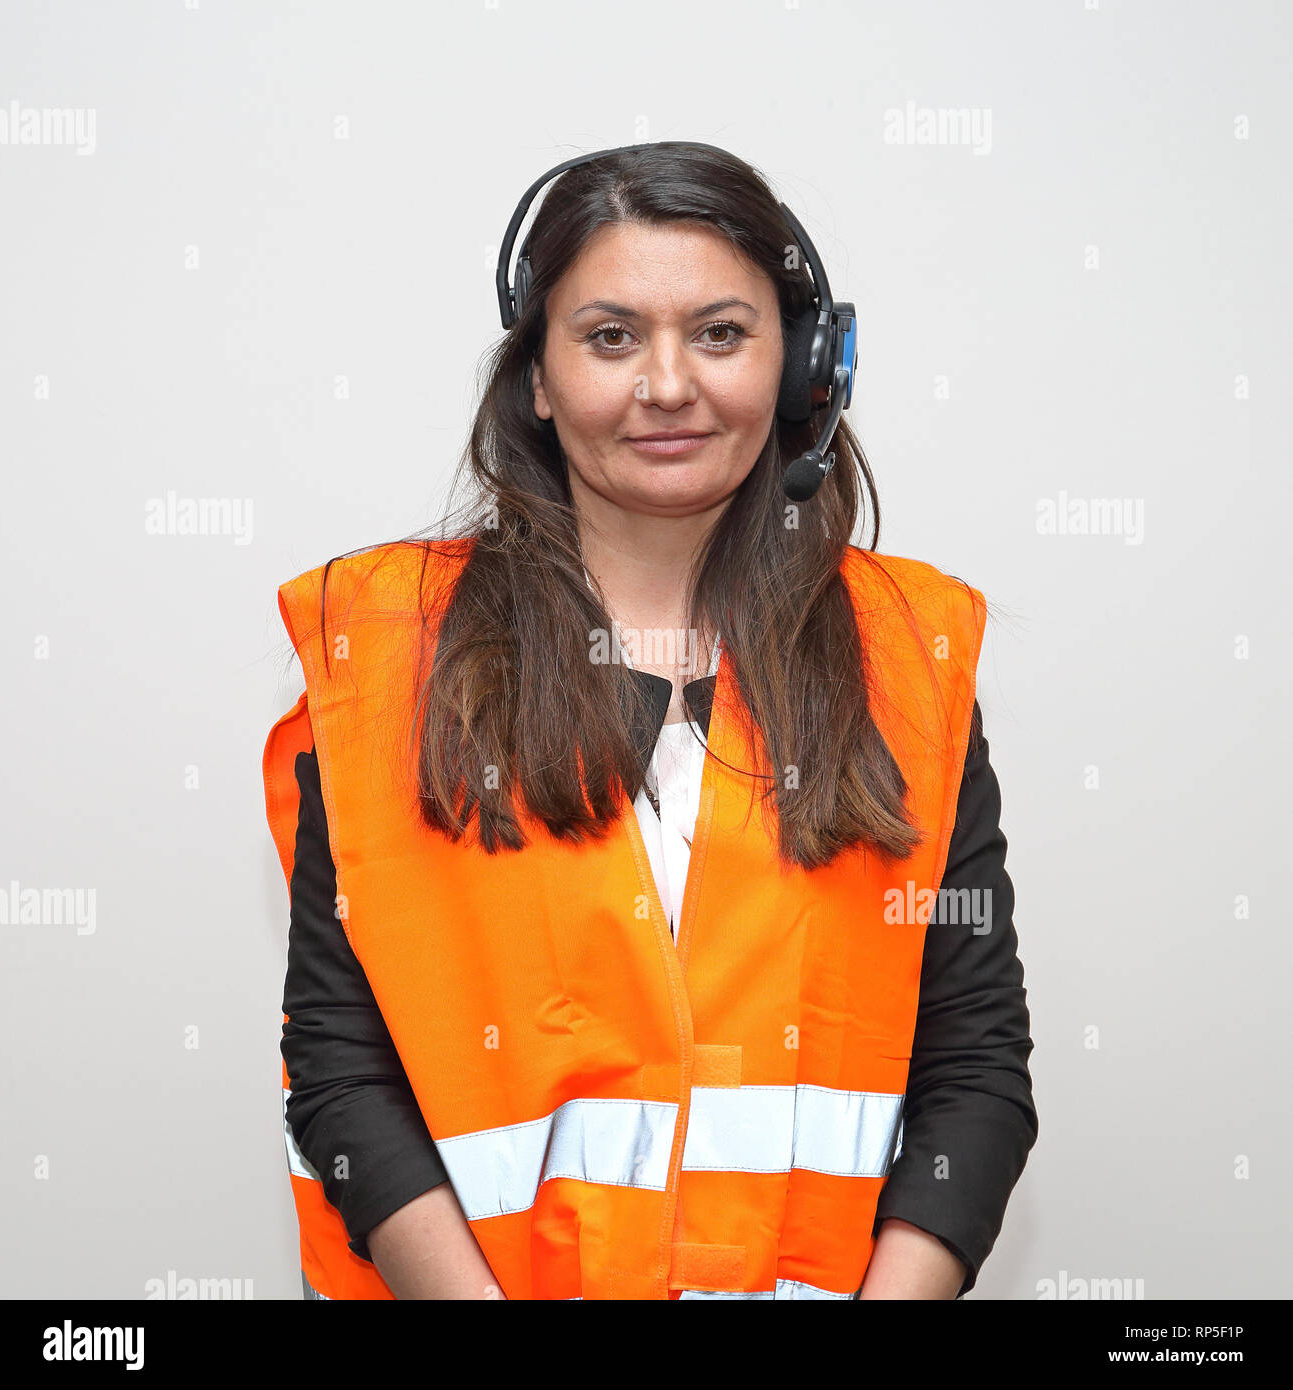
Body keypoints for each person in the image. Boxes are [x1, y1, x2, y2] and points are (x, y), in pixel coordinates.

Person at [264, 141, 1037, 1301]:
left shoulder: (906, 657)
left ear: (804, 370)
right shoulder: (383, 649)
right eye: (610, 336)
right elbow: (337, 1066)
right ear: (535, 376)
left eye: (721, 333)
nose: (667, 384)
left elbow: (974, 1070)